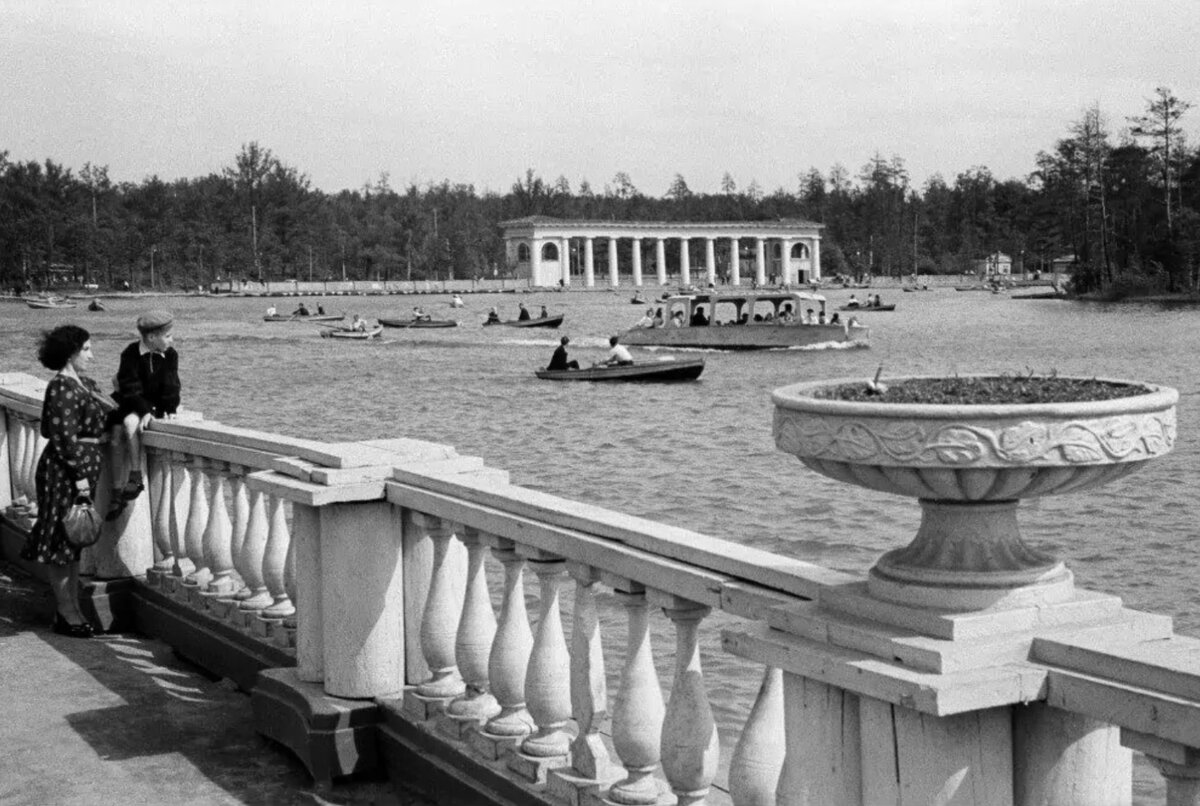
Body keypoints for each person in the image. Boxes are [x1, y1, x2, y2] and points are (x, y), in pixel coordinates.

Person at [22, 325, 114, 637]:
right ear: (71, 353)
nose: (92, 354)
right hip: (64, 474)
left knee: (73, 543)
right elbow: (62, 437)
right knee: (62, 542)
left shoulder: (84, 383)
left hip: (82, 471)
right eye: (86, 349)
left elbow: (108, 413)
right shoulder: (60, 387)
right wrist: (80, 480)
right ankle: (66, 611)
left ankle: (72, 608)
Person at [106, 309, 181, 521]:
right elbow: (129, 388)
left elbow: (172, 385)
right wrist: (144, 410)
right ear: (151, 337)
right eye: (167, 336)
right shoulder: (130, 353)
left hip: (154, 405)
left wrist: (169, 409)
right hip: (132, 401)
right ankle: (131, 479)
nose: (171, 340)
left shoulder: (170, 355)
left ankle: (131, 480)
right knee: (123, 428)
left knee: (129, 426)